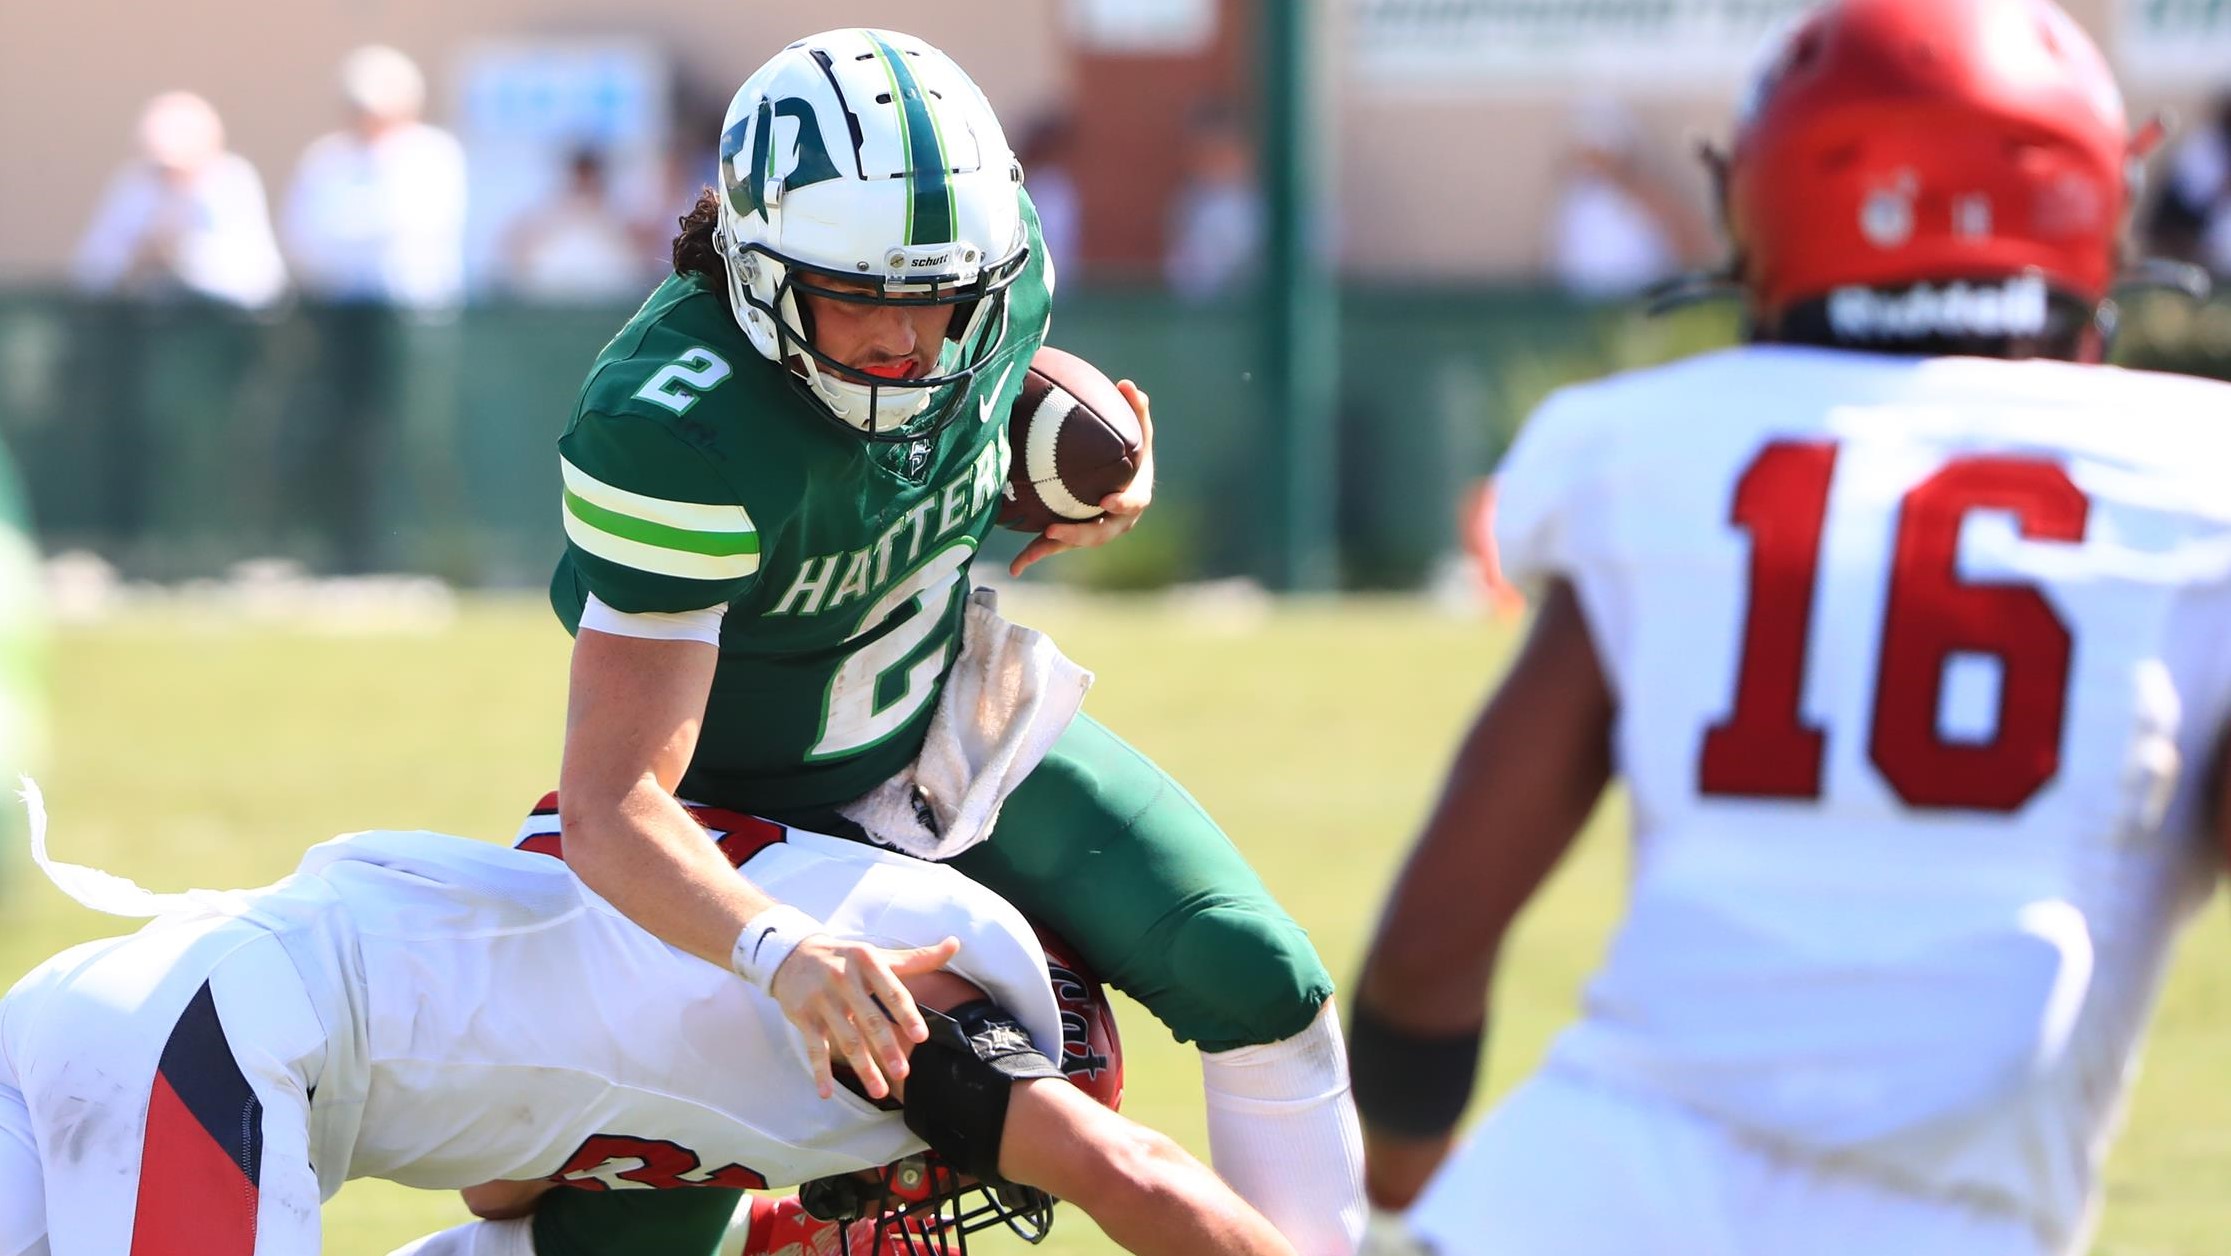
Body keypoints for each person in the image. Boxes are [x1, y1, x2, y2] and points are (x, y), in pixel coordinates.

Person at [1351, 1, 2231, 1253]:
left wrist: (1403, 1178)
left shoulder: (1657, 444)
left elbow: (1429, 946)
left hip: (1574, 1197)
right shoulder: (2195, 477)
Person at [469, 27, 1360, 1256]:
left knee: (1253, 967)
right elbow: (614, 801)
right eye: (860, 301)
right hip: (743, 825)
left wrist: (1087, 473)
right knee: (625, 1222)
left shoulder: (995, 285)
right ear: (757, 270)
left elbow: (954, 423)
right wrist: (776, 947)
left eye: (941, 299)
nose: (911, 344)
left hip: (941, 726)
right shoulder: (673, 423)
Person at [0, 790, 1296, 1256]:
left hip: (157, 1022)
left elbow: (500, 1186)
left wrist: (756, 1226)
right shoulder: (916, 994)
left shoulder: (765, 996)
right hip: (214, 1042)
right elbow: (1128, 1172)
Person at [276, 44, 468, 572]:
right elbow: (306, 238)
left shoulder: (433, 155)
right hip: (341, 323)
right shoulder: (326, 161)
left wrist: (350, 233)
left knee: (421, 435)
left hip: (412, 324)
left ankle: (433, 551)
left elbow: (409, 228)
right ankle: (351, 550)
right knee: (344, 435)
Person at [72, 91, 287, 309]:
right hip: (144, 318)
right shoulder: (134, 184)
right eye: (161, 167)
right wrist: (137, 259)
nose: (169, 176)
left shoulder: (234, 181)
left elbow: (259, 281)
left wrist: (181, 253)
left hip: (215, 319)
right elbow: (90, 271)